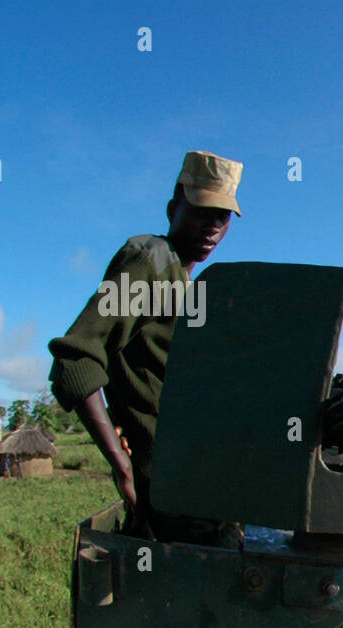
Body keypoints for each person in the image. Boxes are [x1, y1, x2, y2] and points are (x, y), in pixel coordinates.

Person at [47, 150, 242, 541]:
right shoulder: (148, 260)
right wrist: (122, 466)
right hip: (167, 490)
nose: (212, 227)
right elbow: (77, 357)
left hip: (192, 481)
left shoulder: (188, 287)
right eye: (201, 210)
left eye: (222, 217)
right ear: (173, 208)